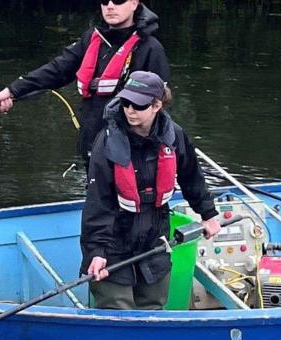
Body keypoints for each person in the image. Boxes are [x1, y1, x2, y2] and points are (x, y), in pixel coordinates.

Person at [0, 0, 171, 164]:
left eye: (118, 1)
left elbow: (160, 105)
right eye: (104, 1)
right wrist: (13, 90)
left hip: (132, 152)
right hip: (93, 145)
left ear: (134, 3)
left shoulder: (151, 48)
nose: (110, 6)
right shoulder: (92, 38)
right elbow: (57, 70)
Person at [81, 71, 221, 310]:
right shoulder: (106, 142)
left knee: (153, 309)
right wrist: (96, 251)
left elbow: (191, 176)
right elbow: (98, 202)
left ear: (157, 105)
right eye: (125, 102)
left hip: (155, 239)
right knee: (117, 313)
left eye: (138, 104)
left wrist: (208, 214)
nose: (130, 110)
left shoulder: (174, 135)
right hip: (114, 243)